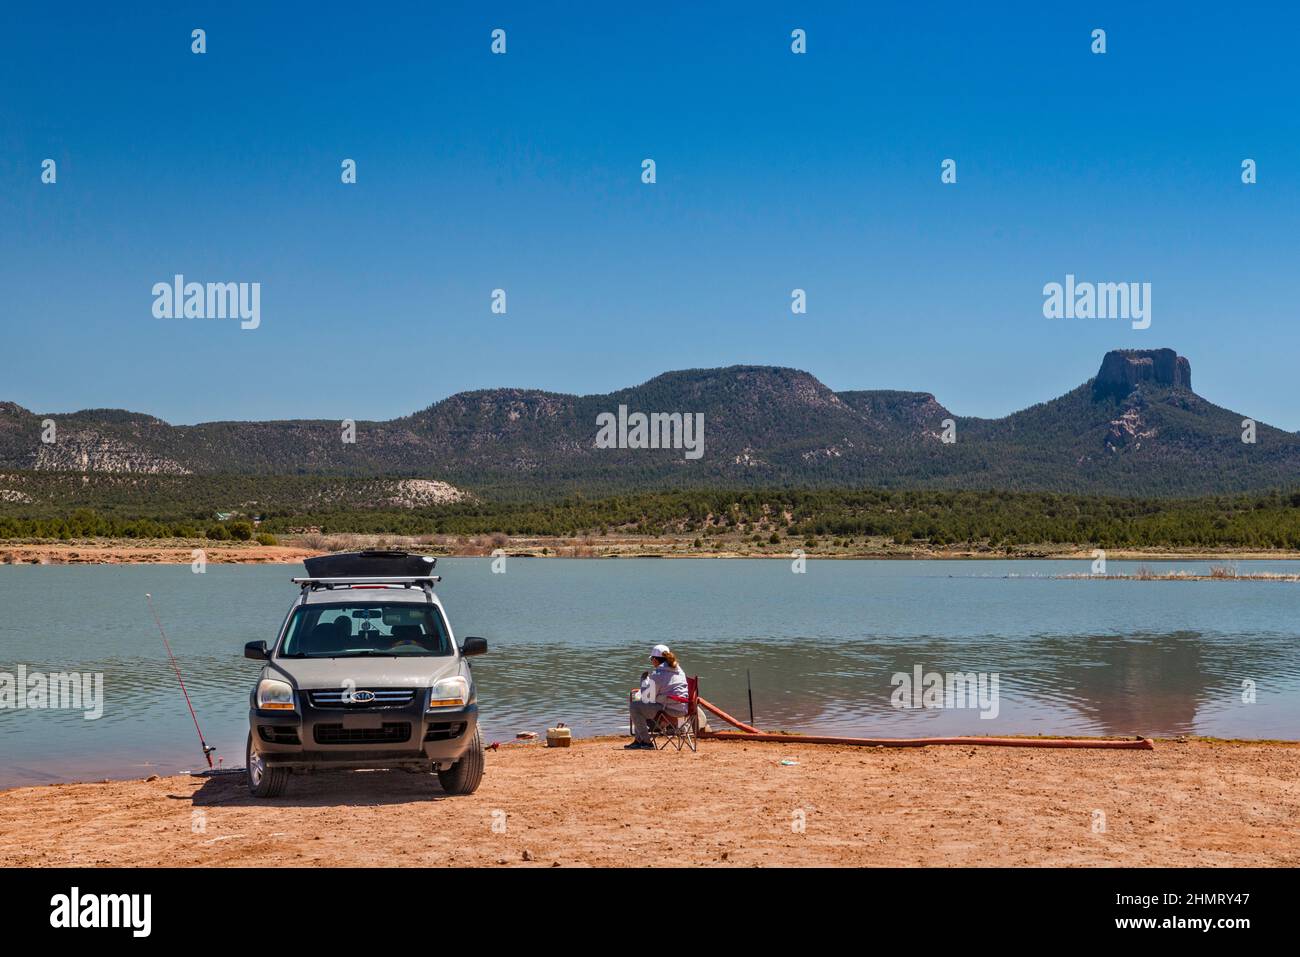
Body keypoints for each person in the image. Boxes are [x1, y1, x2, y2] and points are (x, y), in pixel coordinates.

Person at [626, 643, 688, 750]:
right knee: (639, 706)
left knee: (635, 706)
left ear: (655, 660)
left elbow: (647, 697)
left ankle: (646, 742)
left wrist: (644, 681)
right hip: (682, 708)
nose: (652, 662)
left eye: (651, 660)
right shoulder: (679, 670)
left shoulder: (659, 673)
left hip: (669, 709)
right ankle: (639, 740)